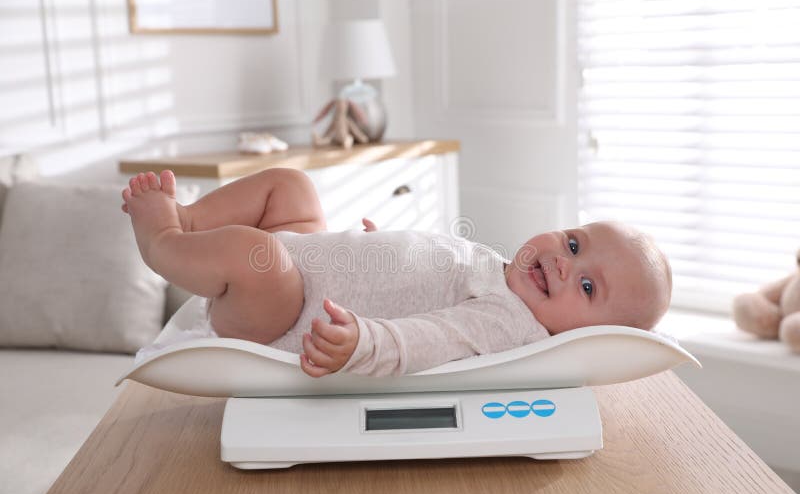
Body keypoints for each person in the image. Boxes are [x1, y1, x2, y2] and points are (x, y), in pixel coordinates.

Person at [121, 168, 671, 378]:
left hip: (283, 312)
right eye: (573, 243)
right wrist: (377, 245)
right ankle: (192, 219)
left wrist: (363, 342)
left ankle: (163, 240)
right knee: (291, 188)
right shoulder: (504, 271)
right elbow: (428, 266)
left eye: (587, 286)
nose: (563, 262)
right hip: (316, 260)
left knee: (253, 256)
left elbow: (428, 337)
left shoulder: (510, 321)